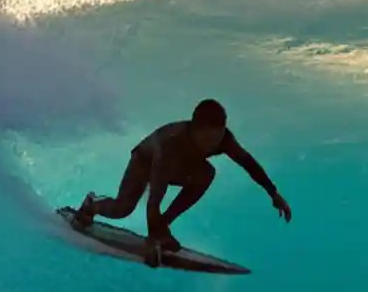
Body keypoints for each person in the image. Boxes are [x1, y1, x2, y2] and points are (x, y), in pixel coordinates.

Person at [72, 98, 292, 253]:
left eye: (216, 139)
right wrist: (152, 237)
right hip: (144, 161)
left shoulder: (225, 139)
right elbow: (155, 196)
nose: (211, 146)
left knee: (207, 173)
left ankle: (163, 225)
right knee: (122, 210)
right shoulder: (172, 143)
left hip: (179, 167)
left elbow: (248, 163)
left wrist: (273, 193)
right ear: (194, 130)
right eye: (206, 140)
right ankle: (92, 204)